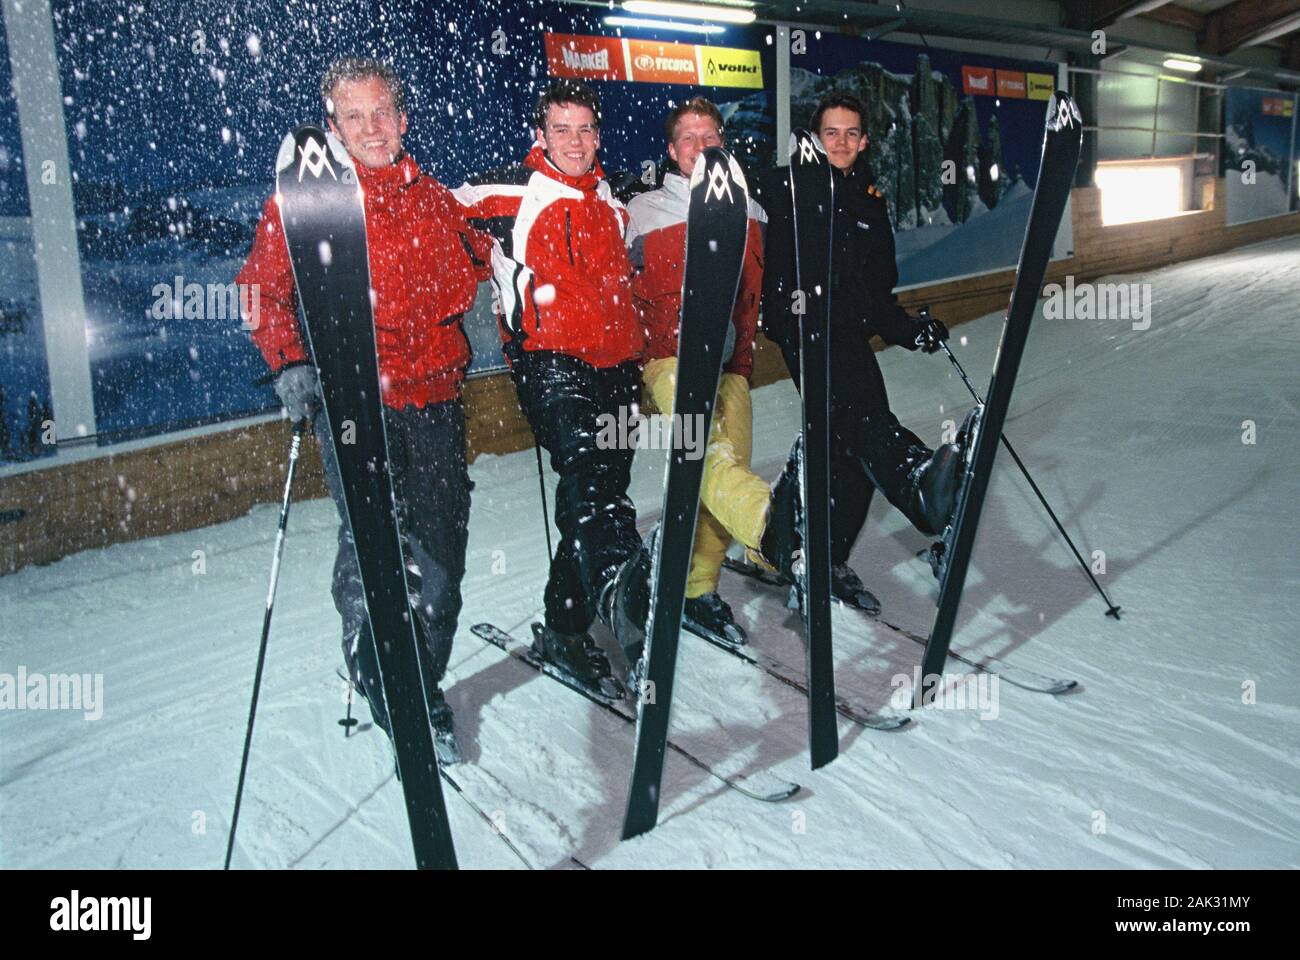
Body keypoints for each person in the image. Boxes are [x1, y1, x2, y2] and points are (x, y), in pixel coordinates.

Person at [237, 57, 491, 763]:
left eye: (382, 113)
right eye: (354, 116)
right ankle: (389, 676)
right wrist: (289, 361)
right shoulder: (306, 201)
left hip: (435, 401)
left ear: (402, 121)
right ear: (333, 126)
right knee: (380, 545)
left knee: (440, 561)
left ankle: (417, 672)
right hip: (356, 405)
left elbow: (475, 263)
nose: (371, 128)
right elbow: (259, 290)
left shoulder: (436, 201)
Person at [453, 79, 659, 693]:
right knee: (586, 468)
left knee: (593, 492)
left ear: (599, 136)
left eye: (586, 129)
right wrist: (488, 276)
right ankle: (623, 582)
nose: (575, 141)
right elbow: (434, 220)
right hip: (550, 366)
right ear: (541, 136)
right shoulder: (508, 196)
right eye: (562, 129)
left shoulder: (616, 208)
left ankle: (566, 626)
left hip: (619, 370)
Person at [752, 90, 971, 615]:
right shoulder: (785, 188)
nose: (842, 142)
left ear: (865, 140)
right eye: (832, 132)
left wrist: (908, 330)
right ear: (814, 137)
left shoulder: (870, 204)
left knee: (846, 445)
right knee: (865, 420)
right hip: (806, 334)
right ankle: (919, 484)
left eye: (852, 133)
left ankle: (792, 545)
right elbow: (741, 212)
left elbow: (877, 297)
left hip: (848, 336)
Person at [625, 97, 800, 646]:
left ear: (722, 141)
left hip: (732, 363)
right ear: (673, 151)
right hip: (669, 361)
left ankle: (695, 588)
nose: (700, 148)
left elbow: (762, 291)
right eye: (687, 139)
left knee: (723, 469)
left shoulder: (752, 211)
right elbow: (615, 291)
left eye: (709, 137)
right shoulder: (641, 212)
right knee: (708, 454)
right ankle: (774, 526)